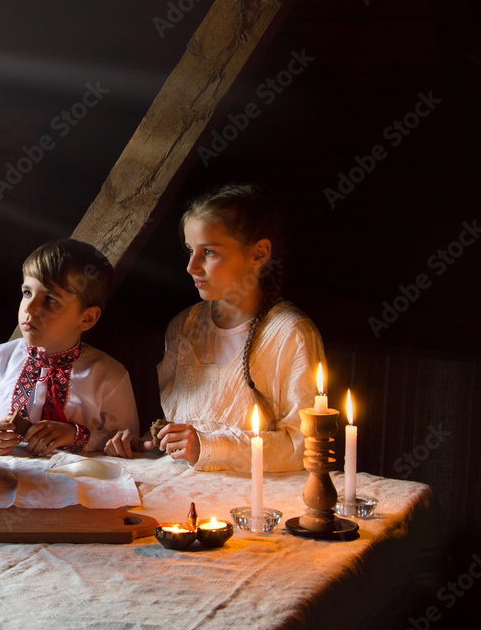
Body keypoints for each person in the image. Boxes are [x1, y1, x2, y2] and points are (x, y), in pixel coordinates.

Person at [105, 184, 325, 472]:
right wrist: (145, 442)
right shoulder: (183, 326)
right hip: (182, 495)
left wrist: (211, 447)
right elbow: (184, 428)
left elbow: (303, 445)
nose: (191, 266)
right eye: (190, 251)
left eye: (208, 252)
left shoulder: (290, 334)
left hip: (255, 502)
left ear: (259, 254)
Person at [0, 238, 138, 461]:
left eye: (50, 299)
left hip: (78, 490)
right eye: (27, 293)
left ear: (87, 318)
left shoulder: (110, 375)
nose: (30, 309)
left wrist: (76, 435)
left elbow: (127, 445)